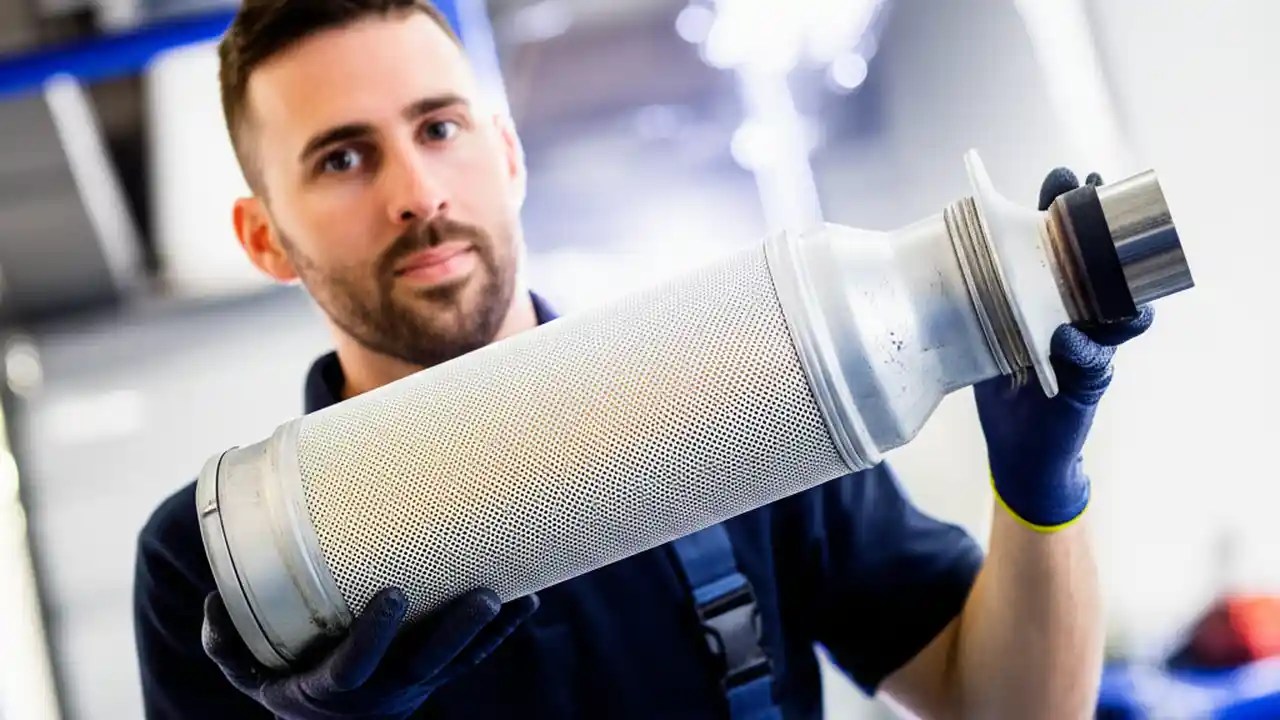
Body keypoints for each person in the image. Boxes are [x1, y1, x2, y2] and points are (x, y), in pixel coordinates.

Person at [132, 1, 1154, 718]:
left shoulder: (747, 381)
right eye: (342, 157)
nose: (417, 191)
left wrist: (1039, 490)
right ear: (263, 237)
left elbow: (1004, 710)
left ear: (508, 154)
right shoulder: (221, 564)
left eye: (438, 128)